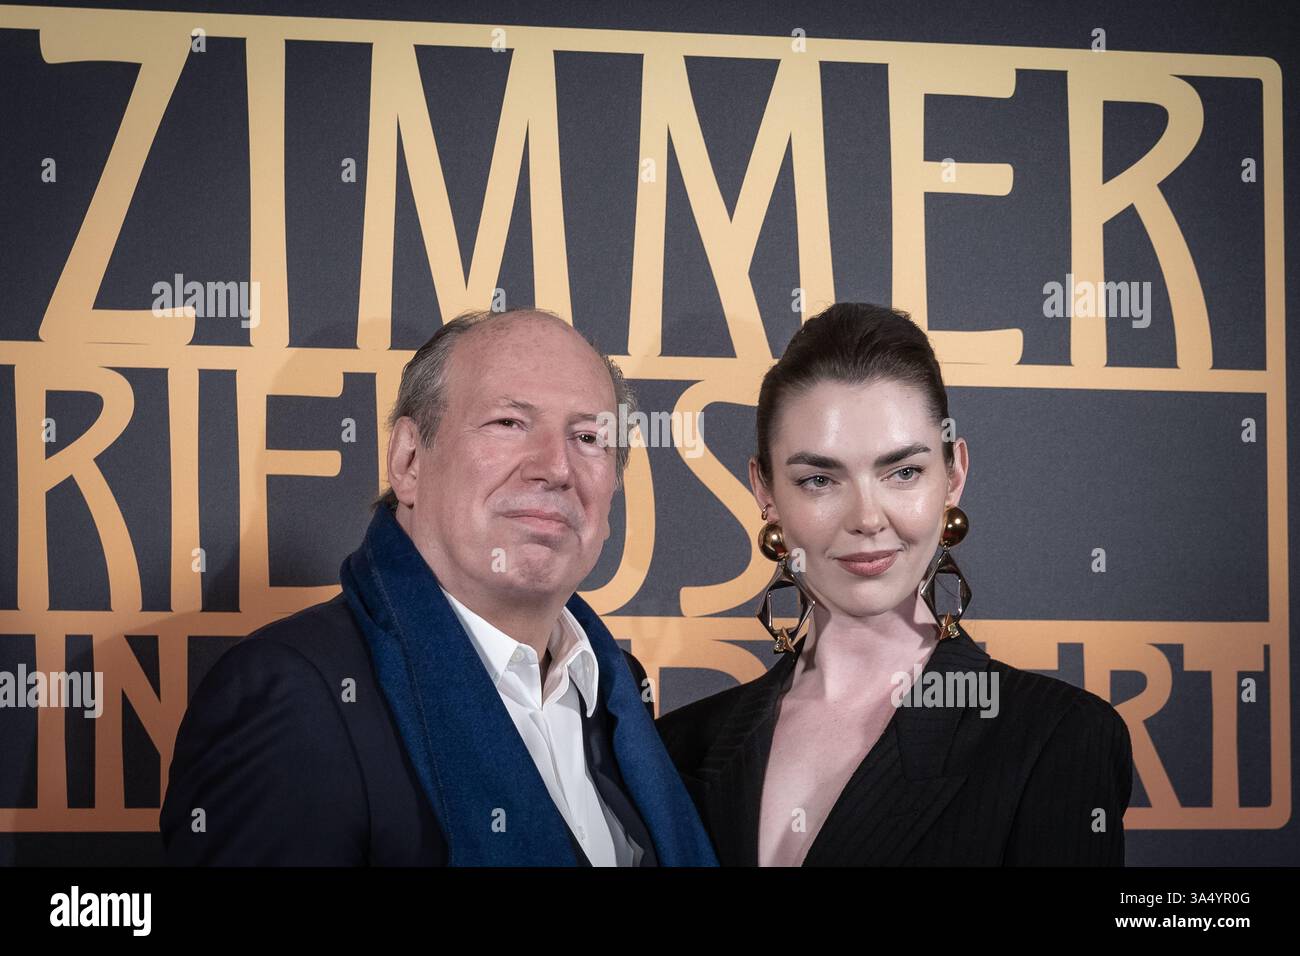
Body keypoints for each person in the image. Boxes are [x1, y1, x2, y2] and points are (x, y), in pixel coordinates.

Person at [160, 307, 717, 866]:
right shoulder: (292, 698)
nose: (556, 466)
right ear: (407, 461)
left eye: (589, 436)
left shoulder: (617, 694)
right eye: (509, 423)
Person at [655, 302, 1133, 866]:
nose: (866, 518)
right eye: (818, 480)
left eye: (903, 472)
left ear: (953, 475)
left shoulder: (1055, 738)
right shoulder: (677, 749)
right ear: (765, 492)